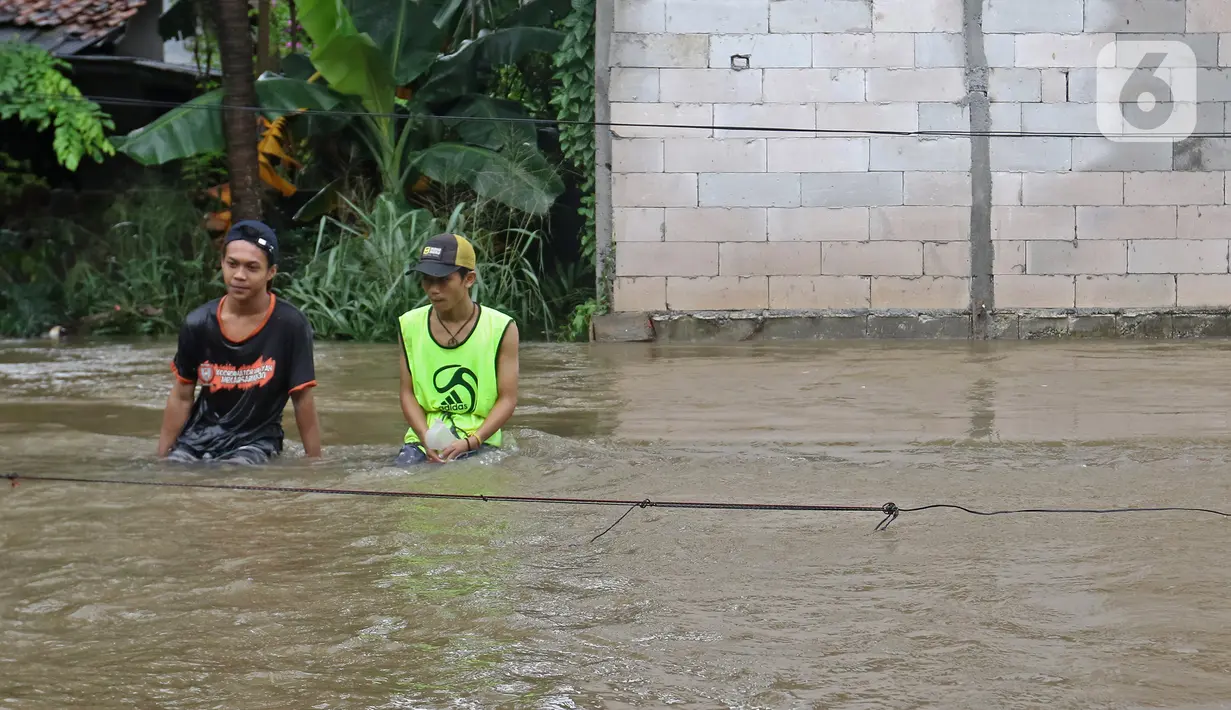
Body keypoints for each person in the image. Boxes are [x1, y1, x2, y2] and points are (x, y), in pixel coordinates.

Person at [157, 220, 322, 464]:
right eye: (232, 264)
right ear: (222, 263)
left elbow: (302, 400)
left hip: (256, 442)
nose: (239, 276)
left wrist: (315, 463)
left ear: (271, 272)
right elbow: (182, 396)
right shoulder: (198, 323)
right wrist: (161, 458)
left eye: (252, 268)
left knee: (237, 471)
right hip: (198, 438)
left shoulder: (291, 325)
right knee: (175, 468)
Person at [395, 232, 519, 465]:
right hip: (423, 438)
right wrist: (424, 437)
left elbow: (508, 398)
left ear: (468, 279)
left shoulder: (502, 327)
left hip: (479, 437)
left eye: (443, 280)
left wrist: (474, 440)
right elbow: (407, 393)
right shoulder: (409, 325)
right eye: (427, 280)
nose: (433, 289)